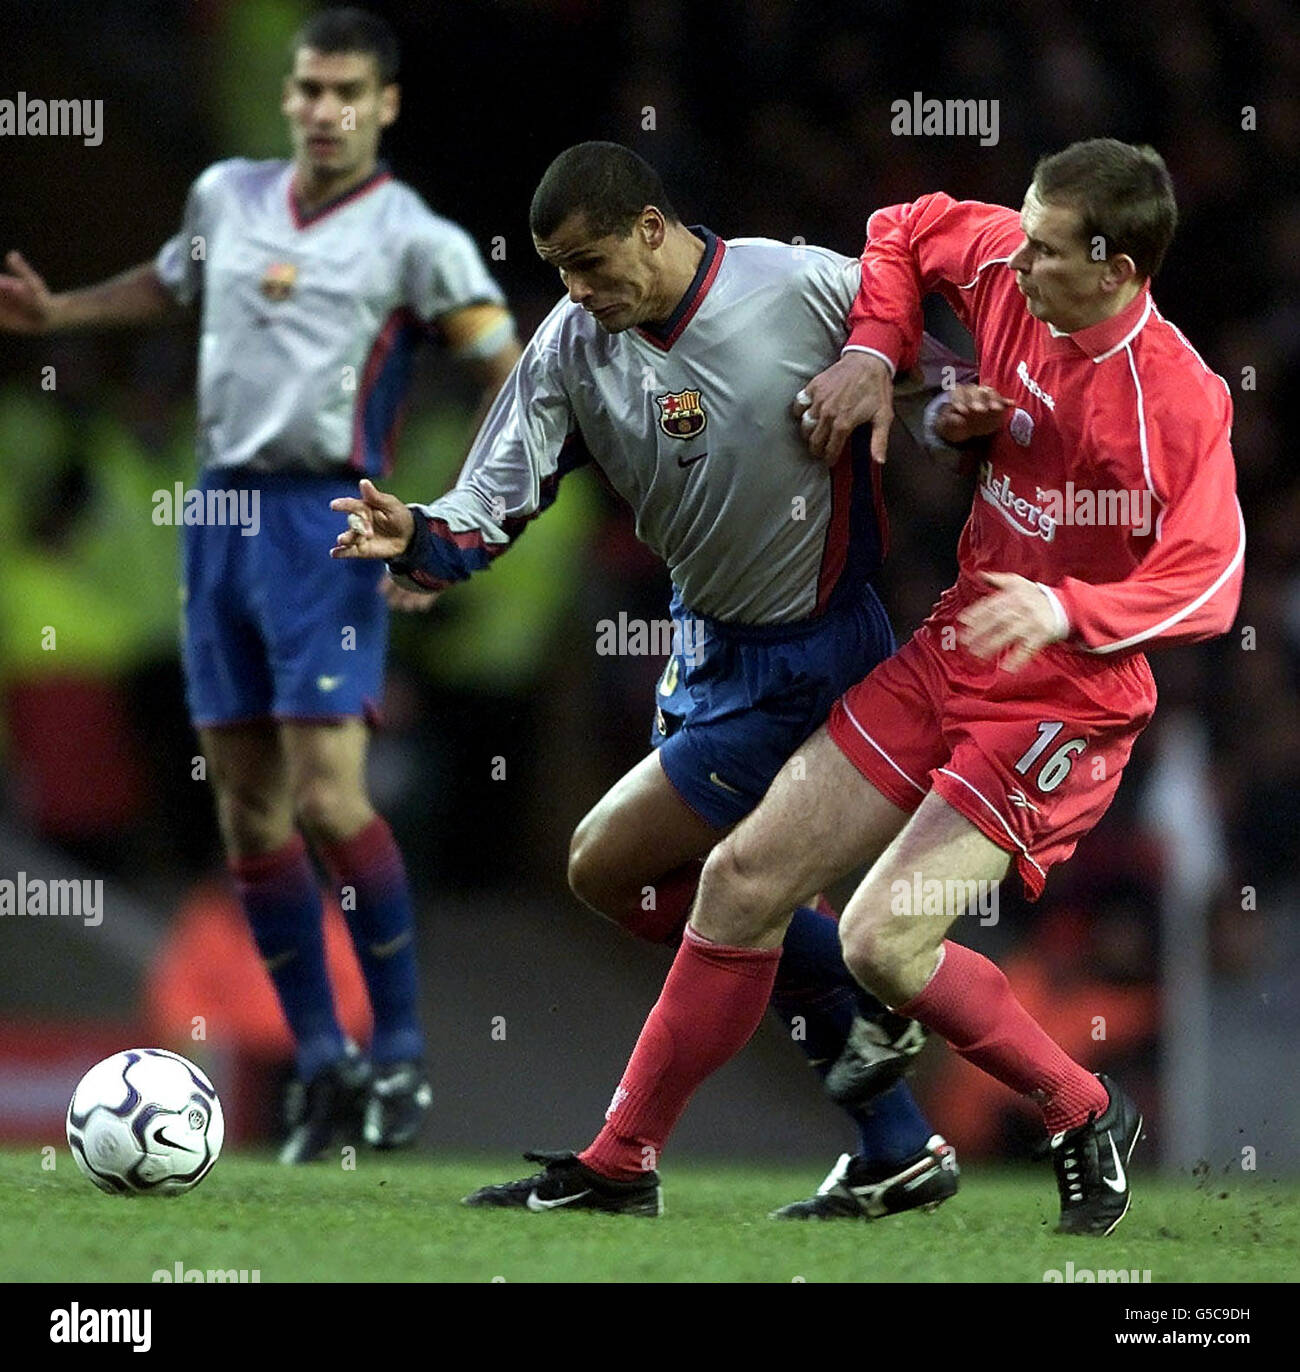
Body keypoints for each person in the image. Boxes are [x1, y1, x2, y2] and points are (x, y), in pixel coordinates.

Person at [434, 138, 1243, 1232]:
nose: (1012, 263)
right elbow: (905, 227)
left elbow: (1208, 580)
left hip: (1064, 698)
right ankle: (621, 1162)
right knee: (740, 879)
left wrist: (1066, 610)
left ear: (1116, 269)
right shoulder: (1007, 260)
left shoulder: (1178, 400)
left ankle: (1081, 1106)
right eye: (1021, 230)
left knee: (879, 940)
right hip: (954, 645)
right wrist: (878, 353)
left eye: (1045, 250)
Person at [333, 140, 972, 1220]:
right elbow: (497, 488)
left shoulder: (798, 284)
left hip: (817, 656)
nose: (580, 291)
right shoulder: (576, 343)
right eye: (560, 270)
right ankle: (893, 1143)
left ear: (648, 225)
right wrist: (419, 538)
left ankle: (634, 1152)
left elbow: (923, 375)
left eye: (590, 263)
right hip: (709, 653)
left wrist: (954, 408)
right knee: (740, 910)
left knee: (608, 867)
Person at [0, 7, 521, 1162]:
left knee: (332, 799)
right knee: (247, 815)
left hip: (327, 520)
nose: (323, 110)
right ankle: (324, 1069)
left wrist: (453, 528)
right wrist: (65, 310)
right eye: (308, 90)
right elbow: (171, 281)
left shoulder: (417, 238)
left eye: (347, 93)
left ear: (383, 105)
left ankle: (395, 1056)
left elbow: (507, 370)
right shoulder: (226, 195)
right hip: (217, 517)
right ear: (288, 98)